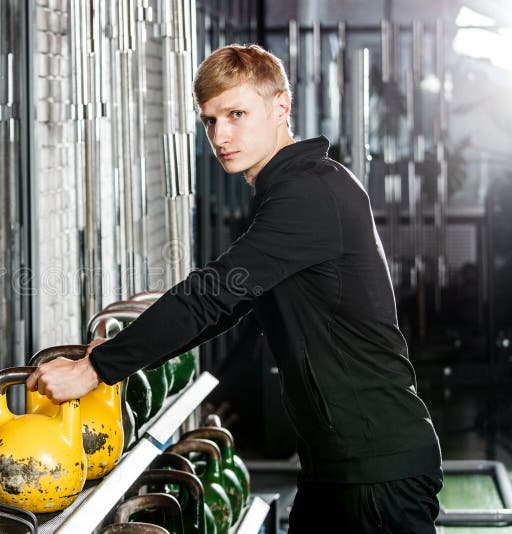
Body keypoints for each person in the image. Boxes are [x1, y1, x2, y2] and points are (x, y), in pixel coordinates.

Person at [27, 44, 442, 533]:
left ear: (280, 107)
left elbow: (214, 292)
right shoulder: (290, 189)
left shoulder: (308, 194)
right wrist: (121, 351)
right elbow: (229, 303)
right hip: (338, 465)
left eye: (236, 114)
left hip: (375, 469)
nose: (221, 135)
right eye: (210, 121)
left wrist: (95, 370)